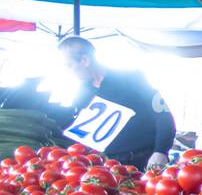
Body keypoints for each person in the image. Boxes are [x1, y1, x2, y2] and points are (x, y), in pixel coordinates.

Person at [53, 36, 176, 169]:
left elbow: (163, 115)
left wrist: (161, 151)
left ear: (85, 60)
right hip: (107, 167)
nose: (67, 72)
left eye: (69, 65)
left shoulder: (132, 78)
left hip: (146, 161)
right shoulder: (80, 95)